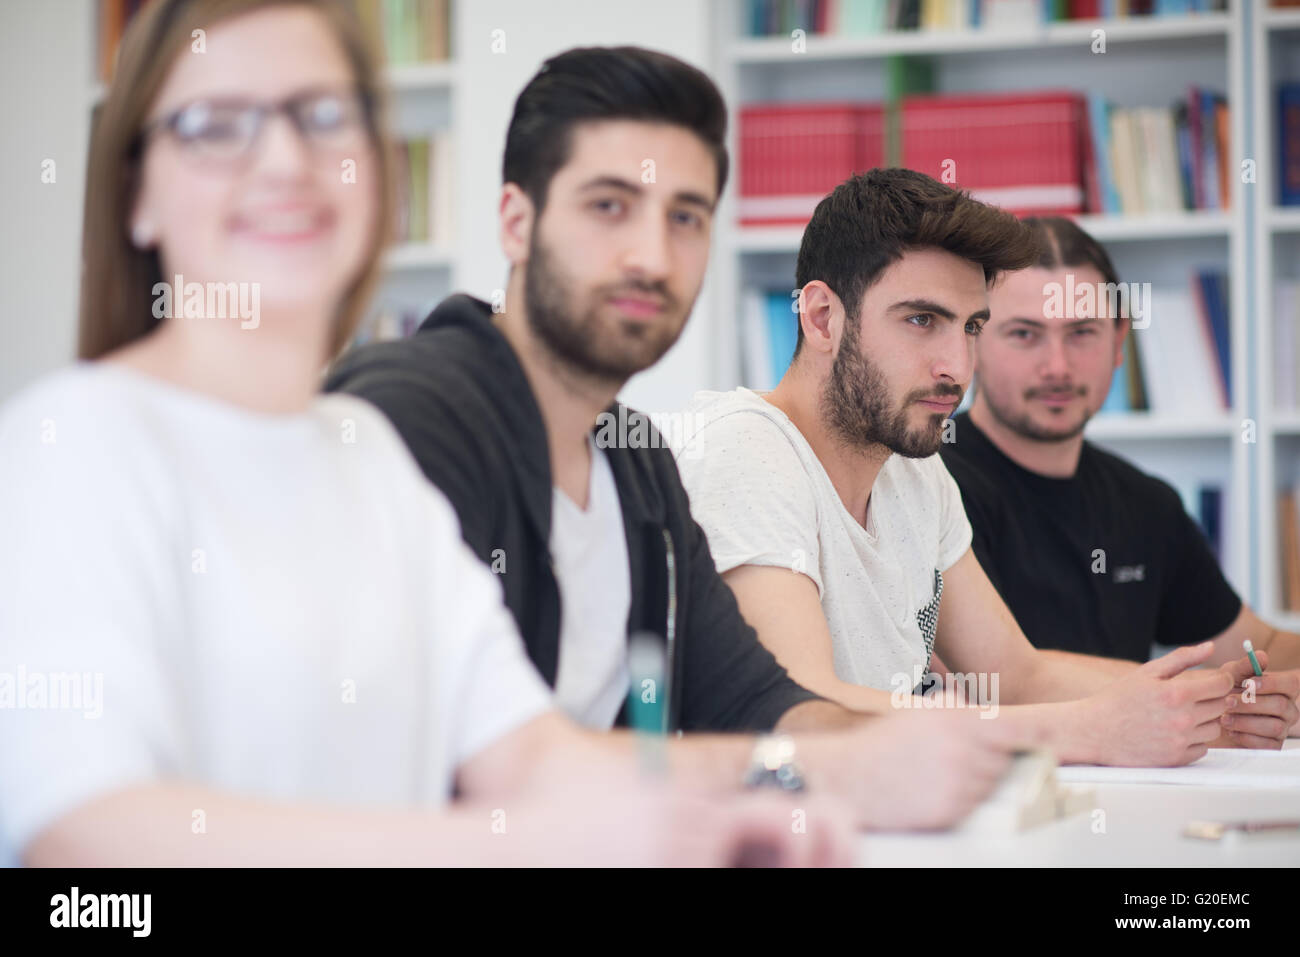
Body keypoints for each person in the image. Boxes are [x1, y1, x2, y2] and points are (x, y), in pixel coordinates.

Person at [0, 0, 851, 867]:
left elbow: (531, 757)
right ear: (136, 193)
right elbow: (83, 834)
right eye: (218, 125)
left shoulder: (365, 458)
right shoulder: (71, 442)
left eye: (325, 116)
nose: (287, 159)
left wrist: (759, 794)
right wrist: (515, 844)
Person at [325, 46, 1031, 827]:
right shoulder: (412, 422)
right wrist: (819, 766)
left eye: (685, 217)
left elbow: (760, 702)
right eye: (608, 206)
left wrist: (900, 754)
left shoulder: (637, 463)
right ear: (517, 224)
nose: (653, 257)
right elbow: (460, 768)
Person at [672, 167, 1274, 767]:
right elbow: (798, 705)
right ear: (823, 318)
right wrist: (1086, 730)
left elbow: (1015, 675)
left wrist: (1215, 709)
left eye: (972, 328)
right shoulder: (742, 449)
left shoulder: (914, 469)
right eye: (921, 320)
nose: (957, 367)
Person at [938, 215, 1300, 748]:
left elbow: (1257, 644)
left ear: (1117, 342)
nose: (1057, 366)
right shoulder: (930, 485)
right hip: (1002, 801)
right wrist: (1218, 699)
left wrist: (1281, 688)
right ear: (973, 341)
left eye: (1081, 332)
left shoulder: (1146, 503)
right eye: (1025, 334)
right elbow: (991, 683)